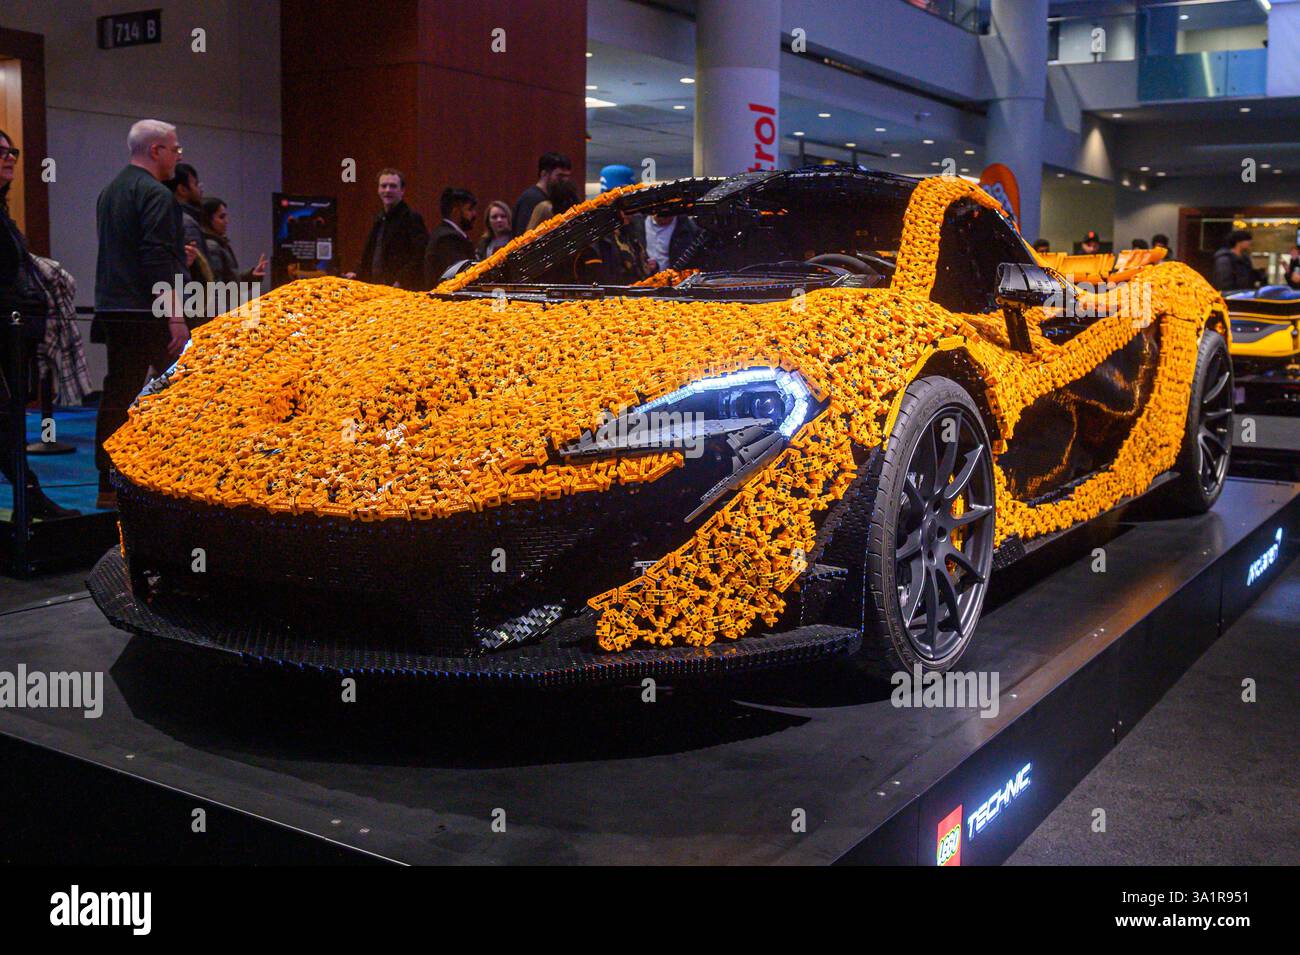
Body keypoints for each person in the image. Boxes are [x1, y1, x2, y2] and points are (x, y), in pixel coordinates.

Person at [92, 119, 191, 510]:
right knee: (181, 387)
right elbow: (154, 259)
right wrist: (174, 315)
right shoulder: (156, 194)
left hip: (113, 306)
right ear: (156, 151)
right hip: (147, 310)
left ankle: (109, 480)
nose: (179, 156)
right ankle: (172, 475)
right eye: (175, 148)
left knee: (118, 390)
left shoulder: (109, 191)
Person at [0, 128, 79, 518]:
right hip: (5, 332)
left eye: (11, 150)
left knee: (9, 421)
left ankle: (27, 497)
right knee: (5, 423)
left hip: (12, 336)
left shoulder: (3, 211)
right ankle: (28, 496)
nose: (10, 157)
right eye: (0, 152)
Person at [348, 168, 428, 288]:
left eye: (393, 186)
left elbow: (420, 255)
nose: (387, 190)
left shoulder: (412, 218)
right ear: (378, 190)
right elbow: (370, 253)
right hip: (377, 288)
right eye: (383, 186)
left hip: (401, 290)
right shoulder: (379, 219)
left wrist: (401, 281)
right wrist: (356, 272)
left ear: (402, 191)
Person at [200, 197, 267, 285]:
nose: (226, 221)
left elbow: (229, 282)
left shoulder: (218, 243)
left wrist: (252, 276)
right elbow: (217, 289)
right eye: (221, 217)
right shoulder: (211, 246)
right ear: (207, 219)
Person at [424, 187, 477, 287]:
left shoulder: (444, 233)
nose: (474, 214)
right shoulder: (448, 239)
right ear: (455, 211)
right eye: (469, 209)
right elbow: (462, 278)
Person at [166, 162, 210, 283]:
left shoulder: (171, 216)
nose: (200, 189)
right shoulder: (187, 223)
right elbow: (201, 272)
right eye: (195, 184)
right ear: (183, 190)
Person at [512, 152, 572, 238]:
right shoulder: (531, 199)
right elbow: (522, 235)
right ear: (544, 174)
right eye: (560, 176)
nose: (565, 181)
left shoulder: (556, 199)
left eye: (567, 176)